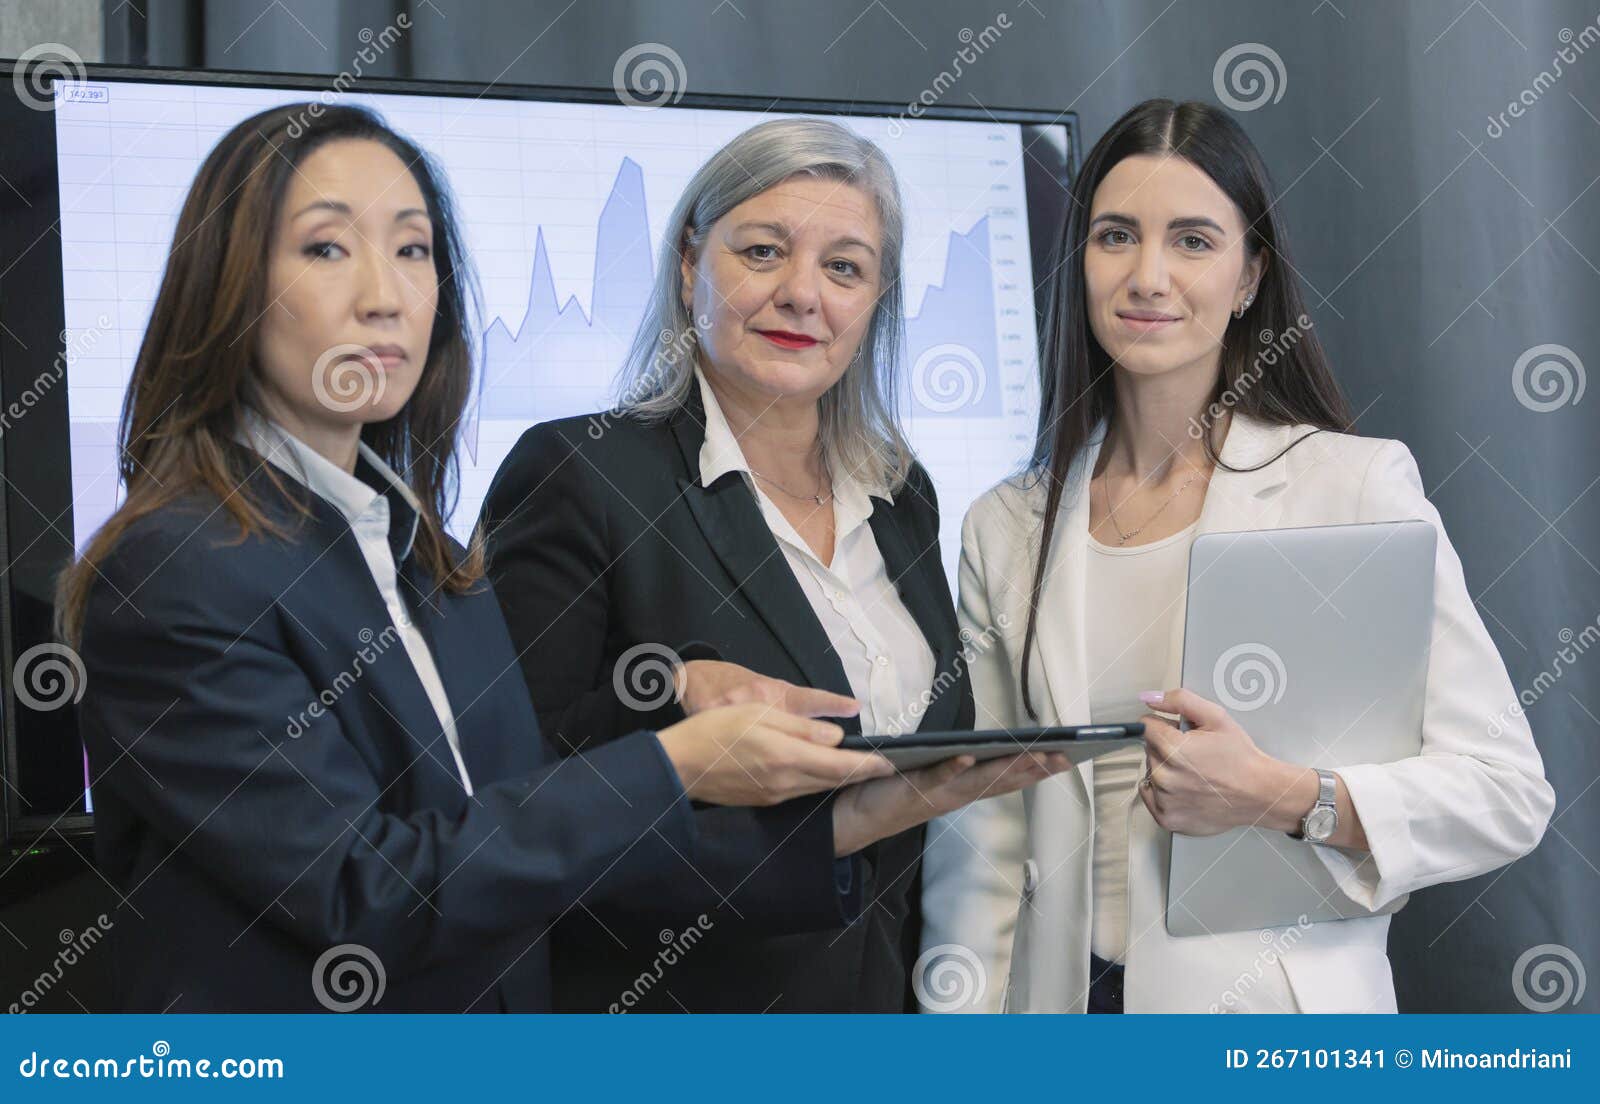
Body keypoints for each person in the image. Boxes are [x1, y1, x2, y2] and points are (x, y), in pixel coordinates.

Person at [57, 102, 1019, 1012]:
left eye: (413, 251)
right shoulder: (173, 573)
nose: (383, 295)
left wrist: (871, 805)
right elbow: (371, 892)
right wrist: (672, 763)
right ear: (229, 282)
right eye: (326, 248)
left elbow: (520, 834)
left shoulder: (420, 555)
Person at [918, 99, 1555, 1014]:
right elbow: (983, 827)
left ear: (1250, 275)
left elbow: (1505, 795)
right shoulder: (1005, 524)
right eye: (1114, 236)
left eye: (1192, 240)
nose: (1147, 276)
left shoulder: (1353, 488)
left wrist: (1285, 796)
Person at [479, 116, 1064, 1012]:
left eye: (844, 268)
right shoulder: (582, 473)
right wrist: (675, 689)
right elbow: (511, 794)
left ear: (876, 301)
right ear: (688, 264)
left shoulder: (901, 496)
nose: (803, 295)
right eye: (762, 251)